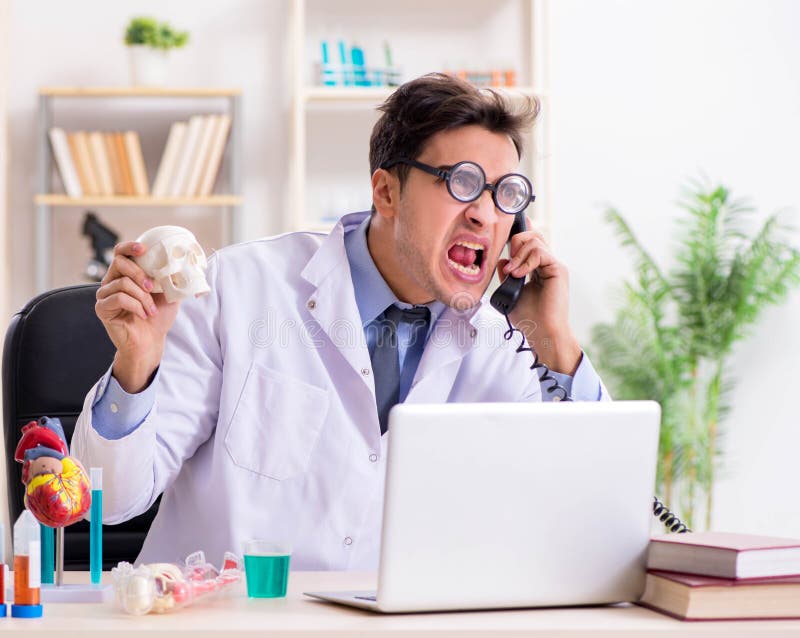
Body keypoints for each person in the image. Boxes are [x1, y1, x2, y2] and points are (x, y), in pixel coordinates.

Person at [71, 73, 608, 569]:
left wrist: (554, 343)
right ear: (386, 193)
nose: (485, 214)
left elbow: (591, 521)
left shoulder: (506, 345)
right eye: (463, 182)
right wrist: (136, 363)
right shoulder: (241, 286)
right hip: (229, 622)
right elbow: (110, 502)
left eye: (506, 194)